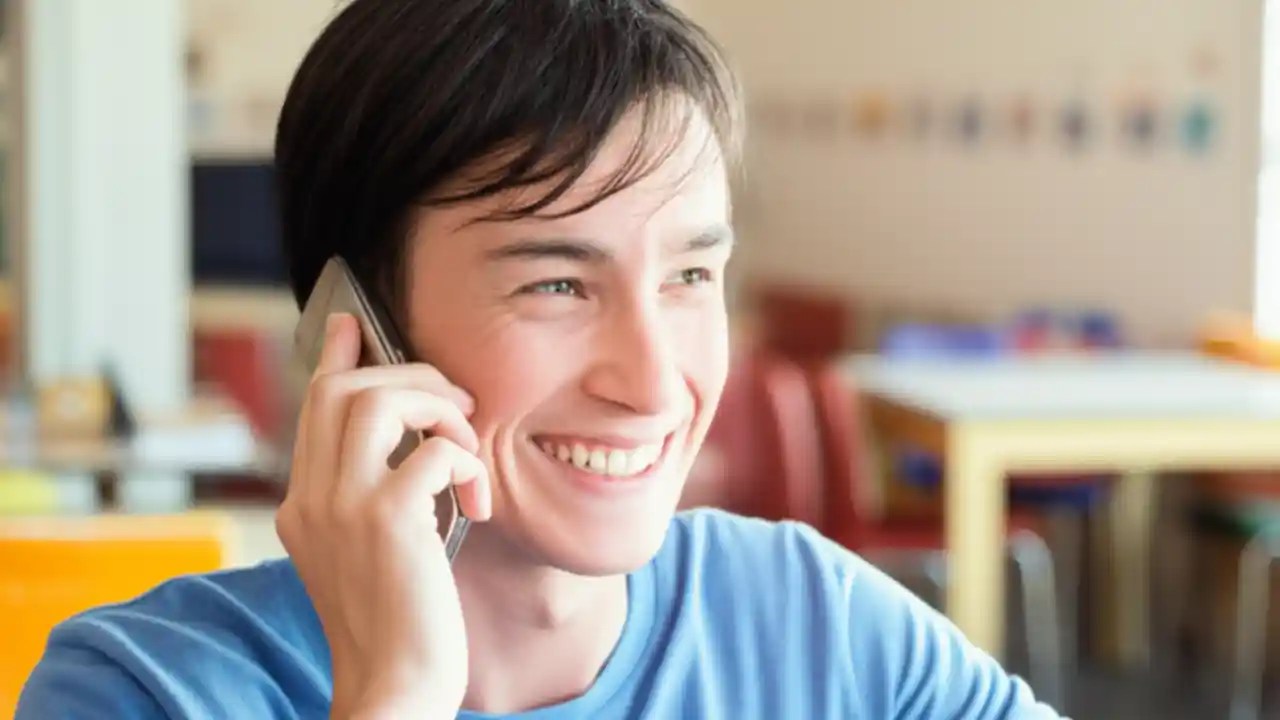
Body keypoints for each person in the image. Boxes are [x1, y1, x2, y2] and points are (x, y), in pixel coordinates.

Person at [17, 1, 1063, 718]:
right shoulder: (142, 687)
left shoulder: (821, 629)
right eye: (555, 284)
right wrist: (396, 693)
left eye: (689, 277)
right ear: (354, 322)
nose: (653, 383)